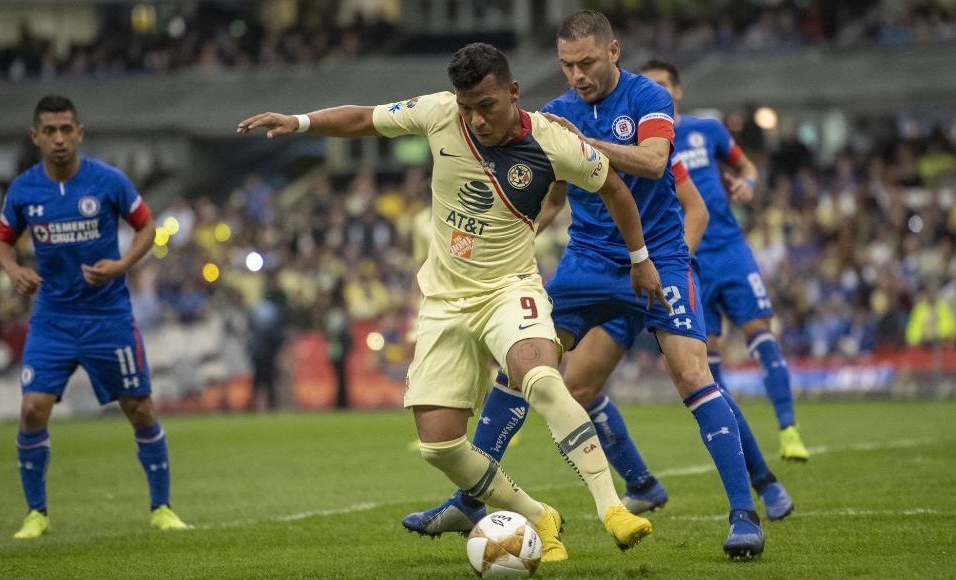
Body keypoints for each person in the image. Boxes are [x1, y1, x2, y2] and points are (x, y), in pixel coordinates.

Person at [237, 42, 662, 562]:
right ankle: (538, 515)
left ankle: (612, 509)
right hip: (444, 301)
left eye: (487, 105)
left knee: (542, 377)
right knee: (440, 444)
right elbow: (363, 119)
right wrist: (299, 122)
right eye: (468, 108)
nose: (477, 119)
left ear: (513, 92)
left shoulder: (553, 142)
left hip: (509, 288)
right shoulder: (439, 111)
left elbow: (616, 188)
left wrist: (640, 258)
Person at [403, 11, 772, 559]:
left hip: (659, 258)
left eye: (587, 63)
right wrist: (519, 245)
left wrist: (588, 143)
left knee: (694, 373)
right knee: (522, 369)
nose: (577, 75)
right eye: (567, 65)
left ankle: (744, 514)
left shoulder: (649, 98)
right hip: (587, 262)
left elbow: (651, 163)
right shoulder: (555, 115)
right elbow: (549, 198)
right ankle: (470, 500)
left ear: (614, 52)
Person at [0, 95, 189, 539]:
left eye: (67, 129)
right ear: (36, 137)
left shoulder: (109, 181)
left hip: (108, 316)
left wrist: (122, 266)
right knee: (31, 410)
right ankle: (36, 514)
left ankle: (162, 507)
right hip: (53, 319)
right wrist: (12, 268)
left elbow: (147, 226)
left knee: (140, 408)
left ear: (79, 133)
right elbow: (3, 241)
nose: (60, 139)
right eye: (50, 131)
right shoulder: (24, 190)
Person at [640, 59, 810, 461]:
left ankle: (789, 431)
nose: (659, 92)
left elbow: (746, 166)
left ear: (678, 90)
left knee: (760, 333)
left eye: (665, 84)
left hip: (730, 249)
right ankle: (742, 448)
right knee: (706, 361)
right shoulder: (644, 144)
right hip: (687, 257)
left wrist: (747, 184)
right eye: (650, 86)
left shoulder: (708, 130)